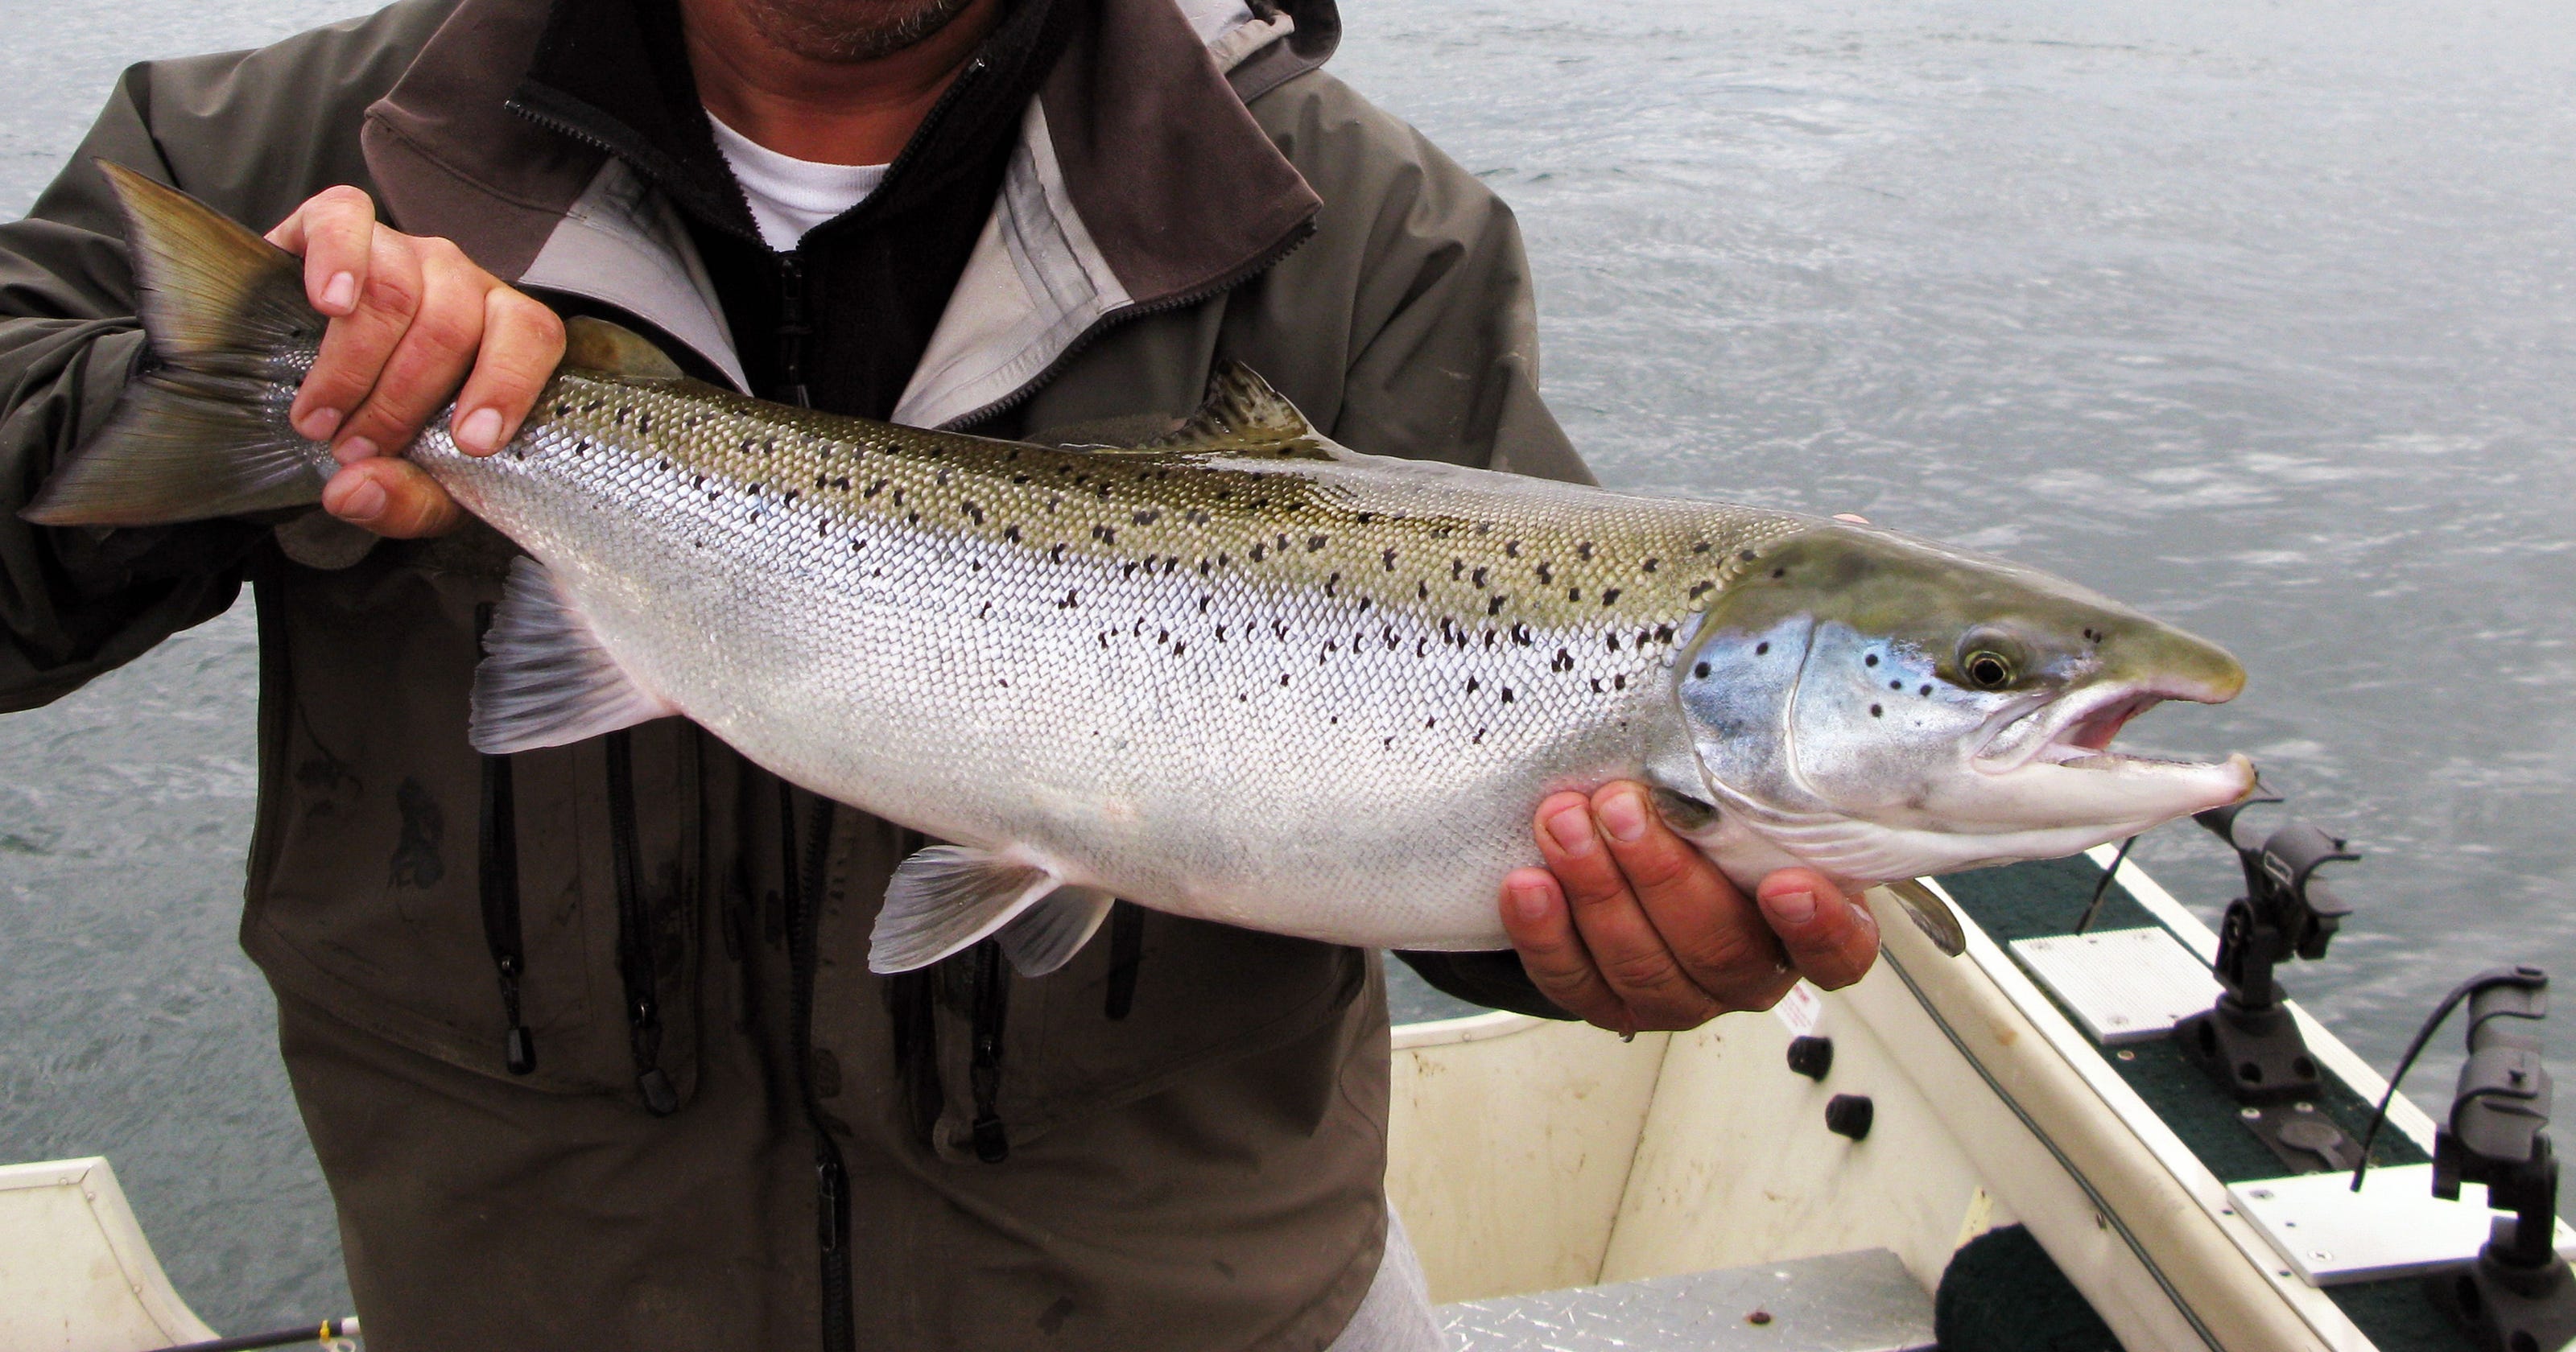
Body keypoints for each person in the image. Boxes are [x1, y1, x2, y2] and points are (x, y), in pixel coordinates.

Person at [0, 0, 1880, 1346]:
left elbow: (1470, 838)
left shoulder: (1365, 230)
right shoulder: (278, 155)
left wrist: (1585, 940)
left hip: (1203, 1315)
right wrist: (270, 391)